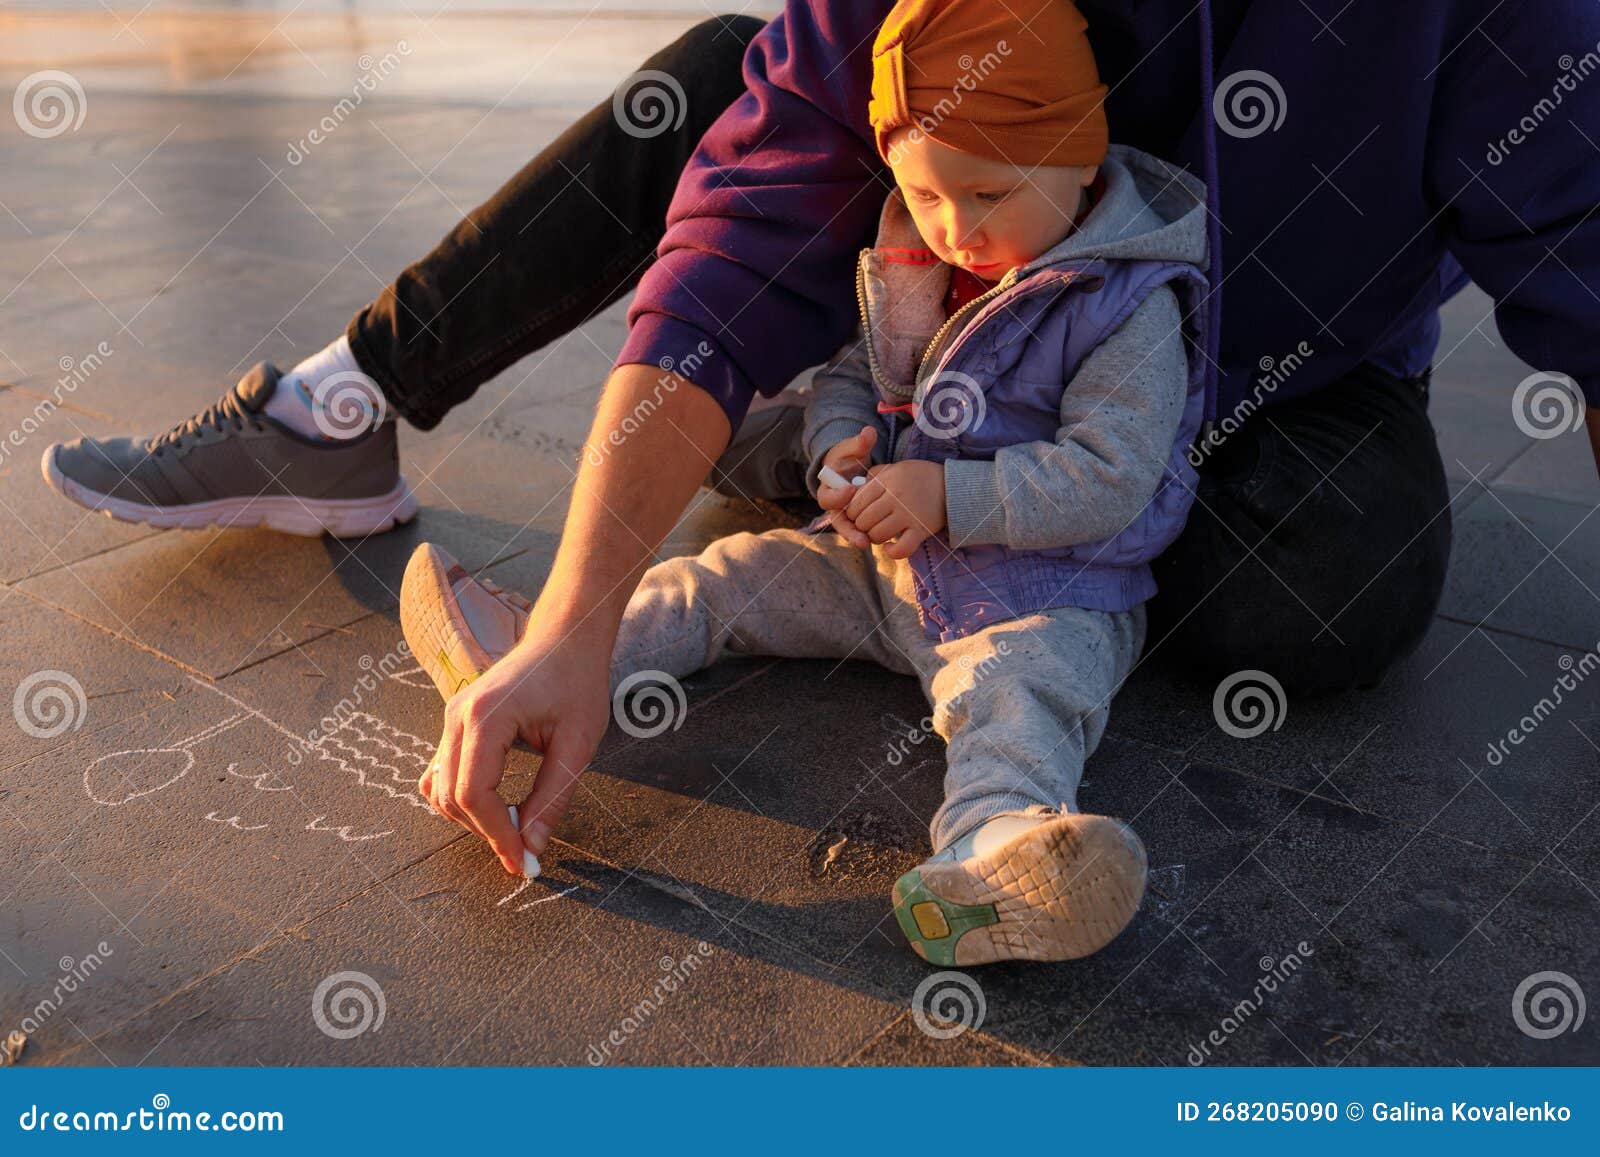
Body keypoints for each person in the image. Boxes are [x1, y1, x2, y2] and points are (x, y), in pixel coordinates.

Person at [39, 3, 1600, 879]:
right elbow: (742, 230)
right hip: (940, 323)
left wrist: (1000, 488)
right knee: (725, 90)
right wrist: (581, 614)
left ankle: (808, 459)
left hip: (1267, 374)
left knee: (1335, 579)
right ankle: (346, 405)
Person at [400, 0, 1209, 966]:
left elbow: (1111, 476)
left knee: (1013, 698)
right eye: (927, 195)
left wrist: (949, 498)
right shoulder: (920, 243)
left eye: (989, 194)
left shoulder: (1126, 300)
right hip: (884, 566)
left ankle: (997, 854)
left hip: (1045, 595)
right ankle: (554, 652)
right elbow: (858, 374)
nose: (958, 230)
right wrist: (837, 452)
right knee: (723, 577)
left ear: (1082, 153)